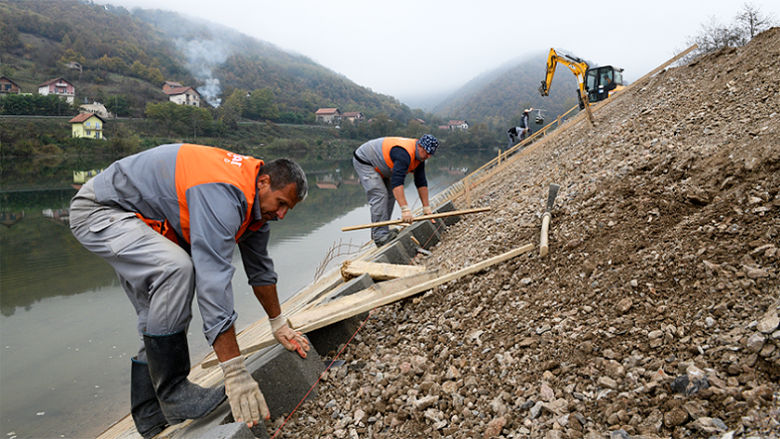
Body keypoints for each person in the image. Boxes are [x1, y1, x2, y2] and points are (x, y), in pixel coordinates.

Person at [69, 143, 311, 438]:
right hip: (102, 211)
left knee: (157, 313)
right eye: (281, 202)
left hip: (137, 218)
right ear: (264, 182)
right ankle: (174, 392)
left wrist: (278, 323)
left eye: (288, 208)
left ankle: (150, 417)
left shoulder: (256, 208)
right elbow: (213, 278)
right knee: (176, 269)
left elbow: (260, 271)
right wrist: (234, 371)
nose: (282, 214)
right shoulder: (223, 191)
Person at [352, 134, 439, 246]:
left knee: (390, 195)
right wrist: (405, 210)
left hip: (381, 163)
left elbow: (421, 182)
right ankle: (379, 236)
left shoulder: (419, 158)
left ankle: (383, 228)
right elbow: (397, 183)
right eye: (426, 152)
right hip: (365, 161)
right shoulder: (404, 154)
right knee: (379, 194)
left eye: (430, 154)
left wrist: (426, 208)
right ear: (420, 146)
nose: (428, 156)